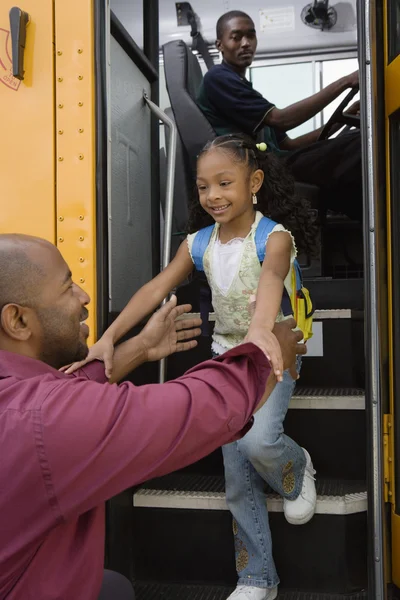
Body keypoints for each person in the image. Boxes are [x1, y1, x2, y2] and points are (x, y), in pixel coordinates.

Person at [66, 134, 318, 600]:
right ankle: (257, 576)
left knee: (261, 440)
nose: (214, 196)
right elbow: (155, 287)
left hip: (274, 347)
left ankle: (295, 467)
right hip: (227, 353)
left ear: (254, 181)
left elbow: (270, 280)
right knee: (236, 475)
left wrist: (262, 330)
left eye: (225, 183)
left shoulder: (274, 237)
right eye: (204, 188)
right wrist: (108, 337)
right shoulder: (199, 242)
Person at [0, 233, 306, 600]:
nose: (84, 297)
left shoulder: (19, 402)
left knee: (113, 588)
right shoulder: (38, 422)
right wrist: (266, 354)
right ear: (17, 320)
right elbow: (194, 410)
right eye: (67, 288)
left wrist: (141, 347)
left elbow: (56, 396)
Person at [197, 10, 362, 221]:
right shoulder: (218, 79)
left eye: (251, 36)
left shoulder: (247, 91)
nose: (246, 43)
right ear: (220, 45)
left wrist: (344, 116)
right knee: (360, 146)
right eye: (236, 37)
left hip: (280, 162)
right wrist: (345, 82)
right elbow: (282, 119)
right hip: (267, 171)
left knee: (351, 153)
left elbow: (291, 146)